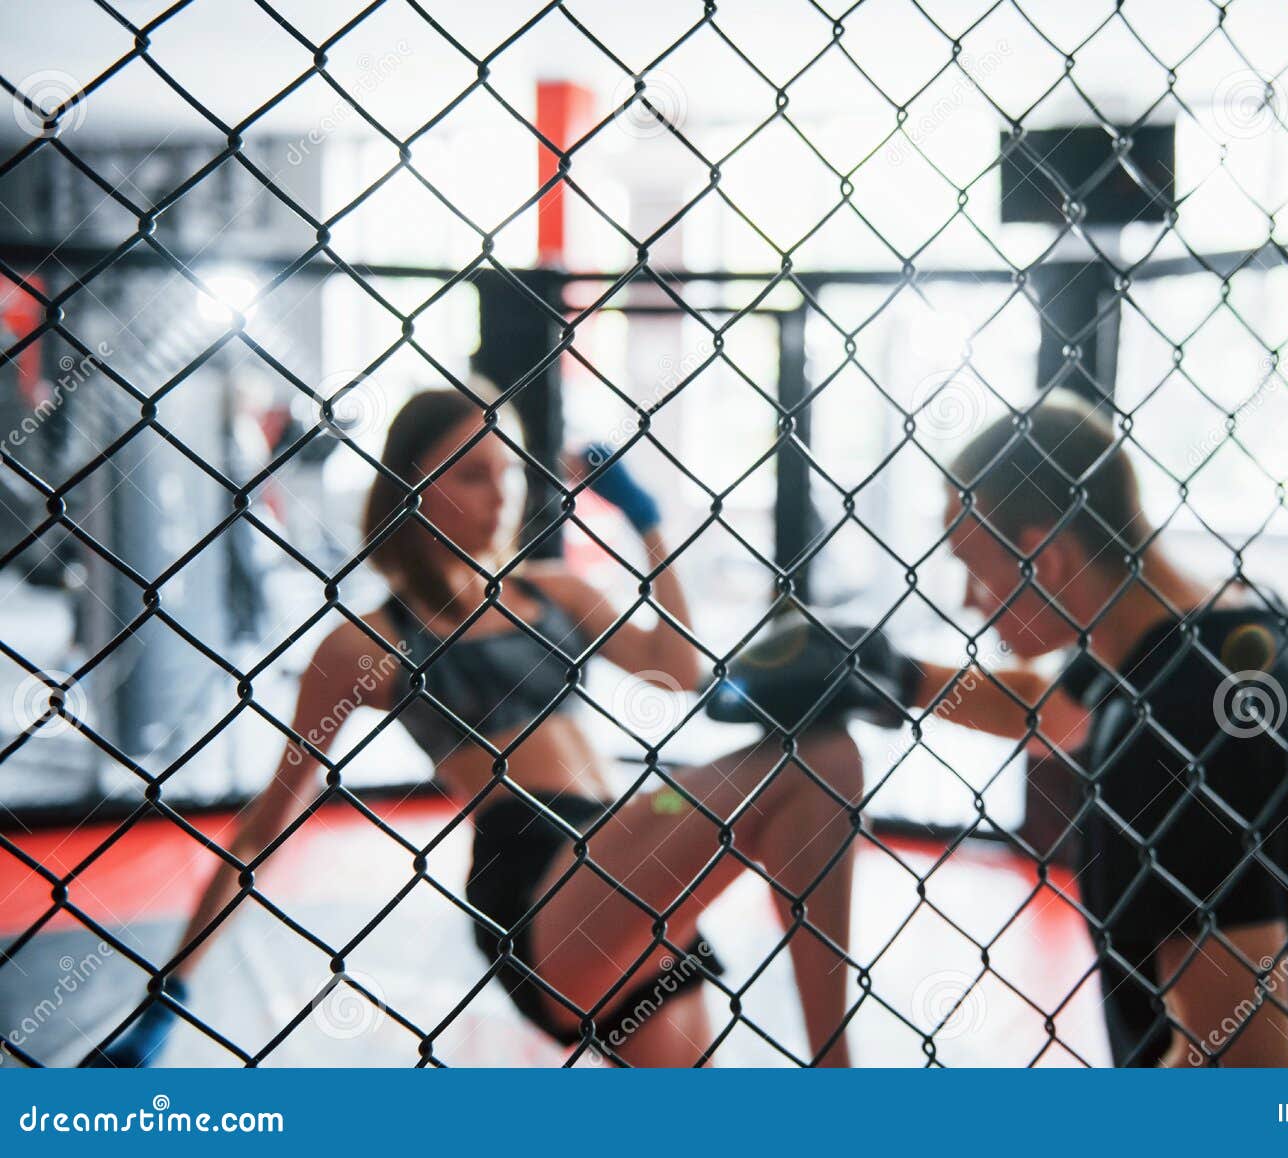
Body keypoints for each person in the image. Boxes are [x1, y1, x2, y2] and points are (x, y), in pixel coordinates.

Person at [87, 388, 862, 1068]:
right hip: (534, 877)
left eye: (511, 470)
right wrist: (171, 991)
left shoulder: (556, 590)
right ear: (412, 489)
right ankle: (840, 1089)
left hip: (629, 845)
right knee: (815, 760)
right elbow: (266, 823)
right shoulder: (371, 643)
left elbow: (678, 669)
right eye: (472, 473)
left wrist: (649, 522)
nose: (503, 494)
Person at [909, 391, 1288, 1066]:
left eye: (973, 570)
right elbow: (1049, 710)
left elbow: (1247, 1073)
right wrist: (891, 677)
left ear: (1043, 558)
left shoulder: (1171, 738)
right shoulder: (1227, 637)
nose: (968, 601)